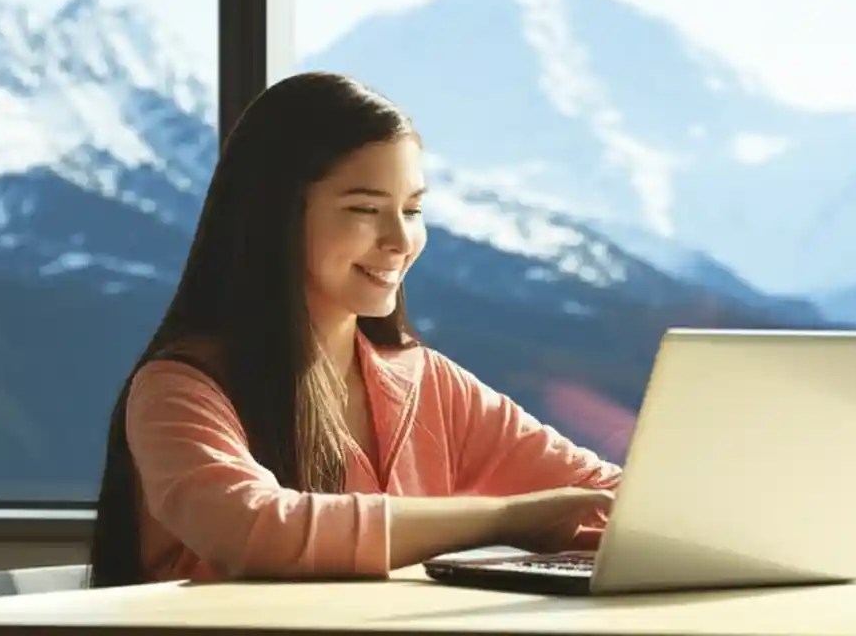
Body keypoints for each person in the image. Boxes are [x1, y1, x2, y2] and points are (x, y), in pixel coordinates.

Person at [89, 72, 621, 587]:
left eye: (412, 210)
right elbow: (254, 530)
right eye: (366, 209)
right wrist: (506, 519)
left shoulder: (429, 384)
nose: (399, 239)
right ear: (276, 216)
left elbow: (610, 495)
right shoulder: (179, 390)